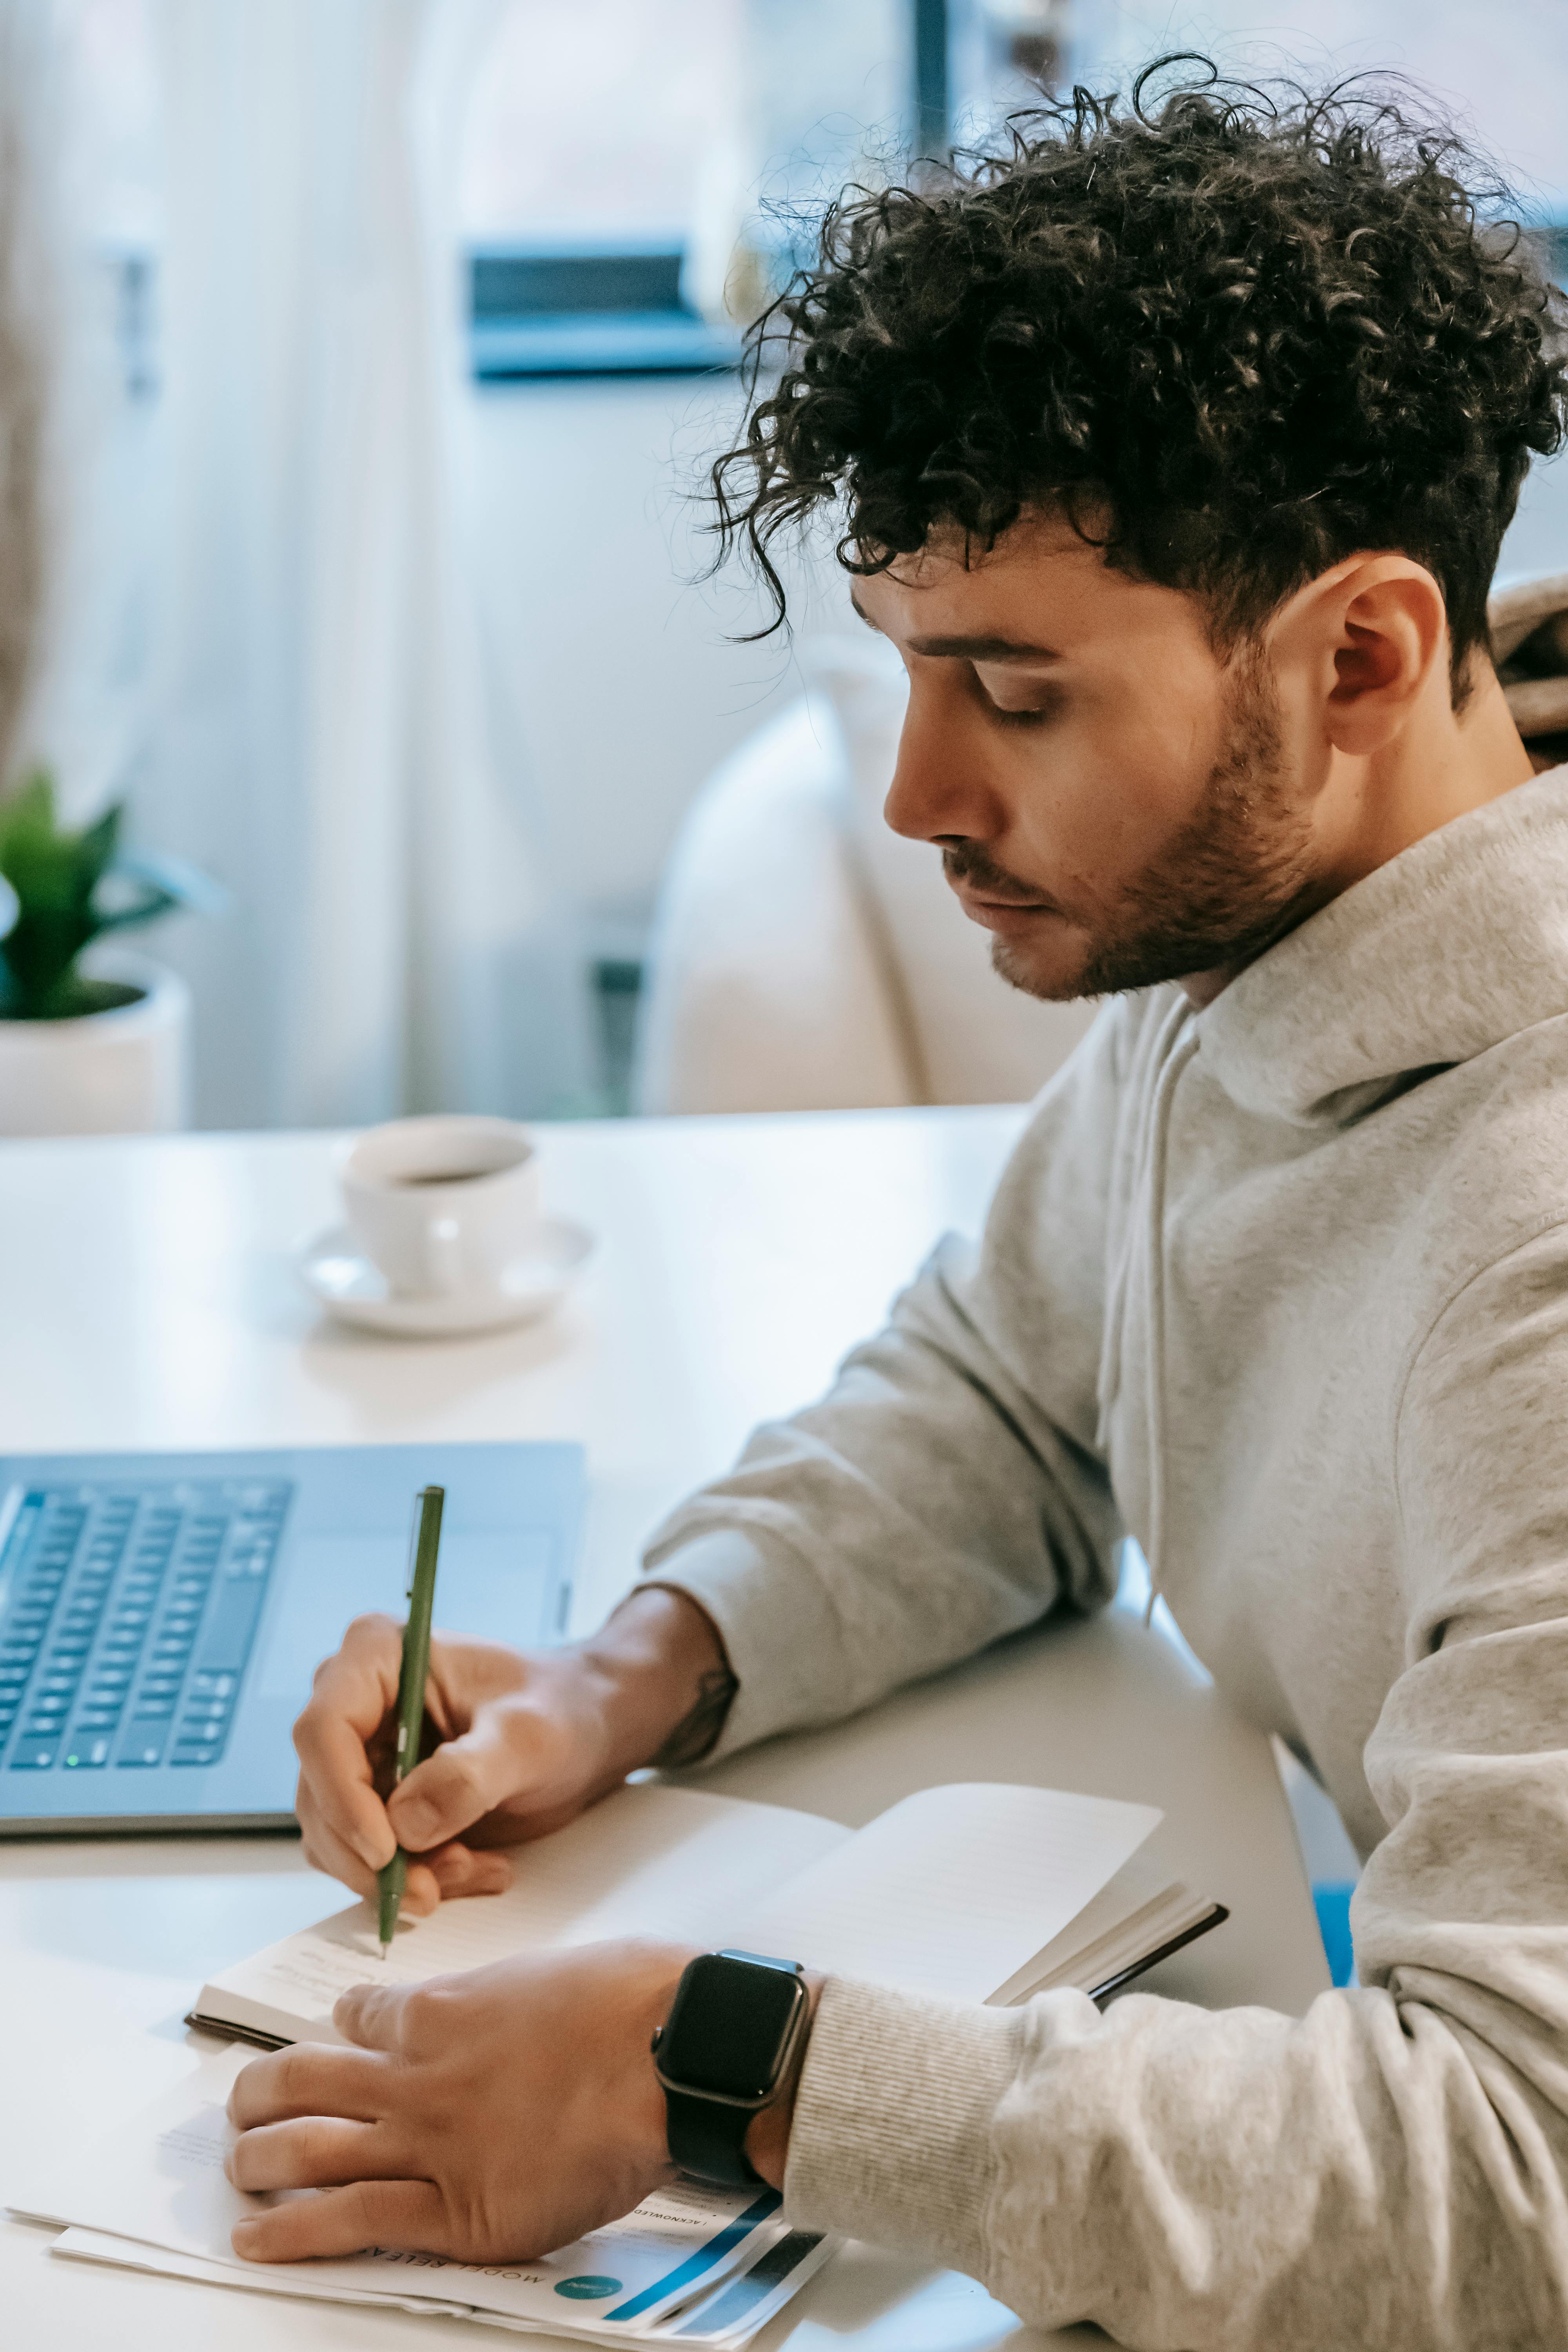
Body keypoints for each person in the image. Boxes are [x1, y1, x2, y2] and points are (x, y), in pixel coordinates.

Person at [221, 67, 1568, 2350]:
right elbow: (1011, 1386)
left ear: (1358, 656)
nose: (925, 790)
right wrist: (621, 1673)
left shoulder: (1528, 1236)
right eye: (911, 671)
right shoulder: (1260, 940)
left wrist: (718, 2070)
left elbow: (1512, 2187)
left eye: (1014, 695)